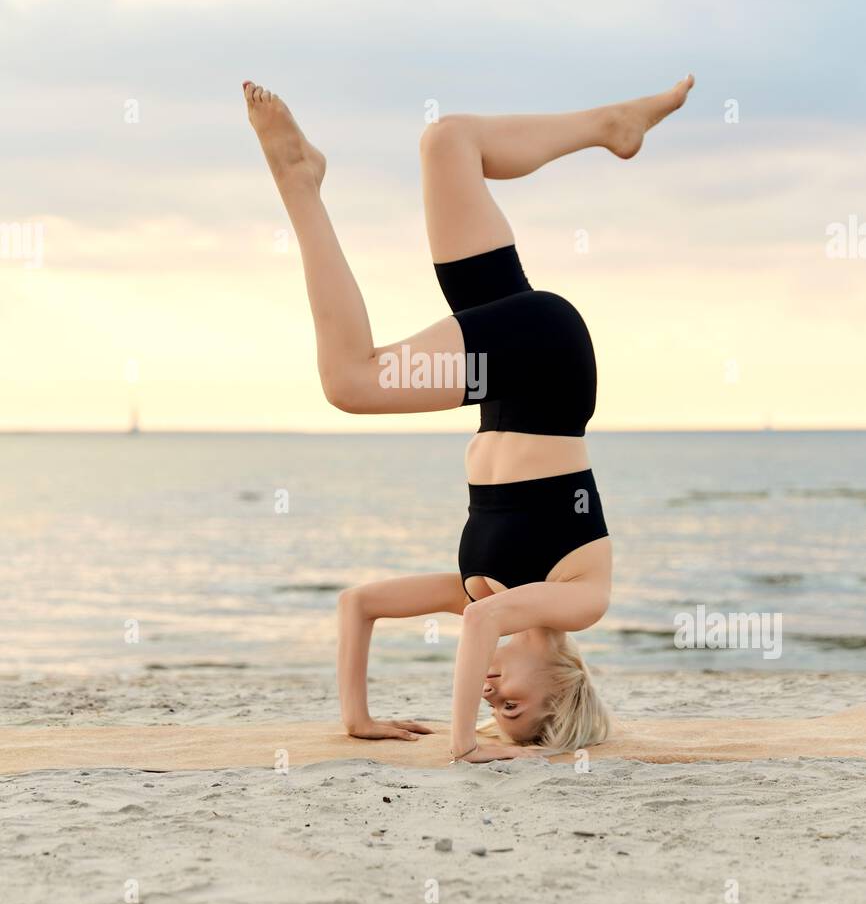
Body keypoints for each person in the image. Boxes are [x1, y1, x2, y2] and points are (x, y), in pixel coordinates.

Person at [243, 73, 694, 763]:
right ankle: (299, 181)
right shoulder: (580, 603)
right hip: (547, 358)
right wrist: (463, 744)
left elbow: (358, 604)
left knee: (448, 142)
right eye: (511, 704)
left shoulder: (477, 586)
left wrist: (358, 717)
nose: (490, 693)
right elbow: (485, 623)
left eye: (491, 711)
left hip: (509, 377)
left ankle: (612, 125)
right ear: (565, 685)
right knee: (352, 381)